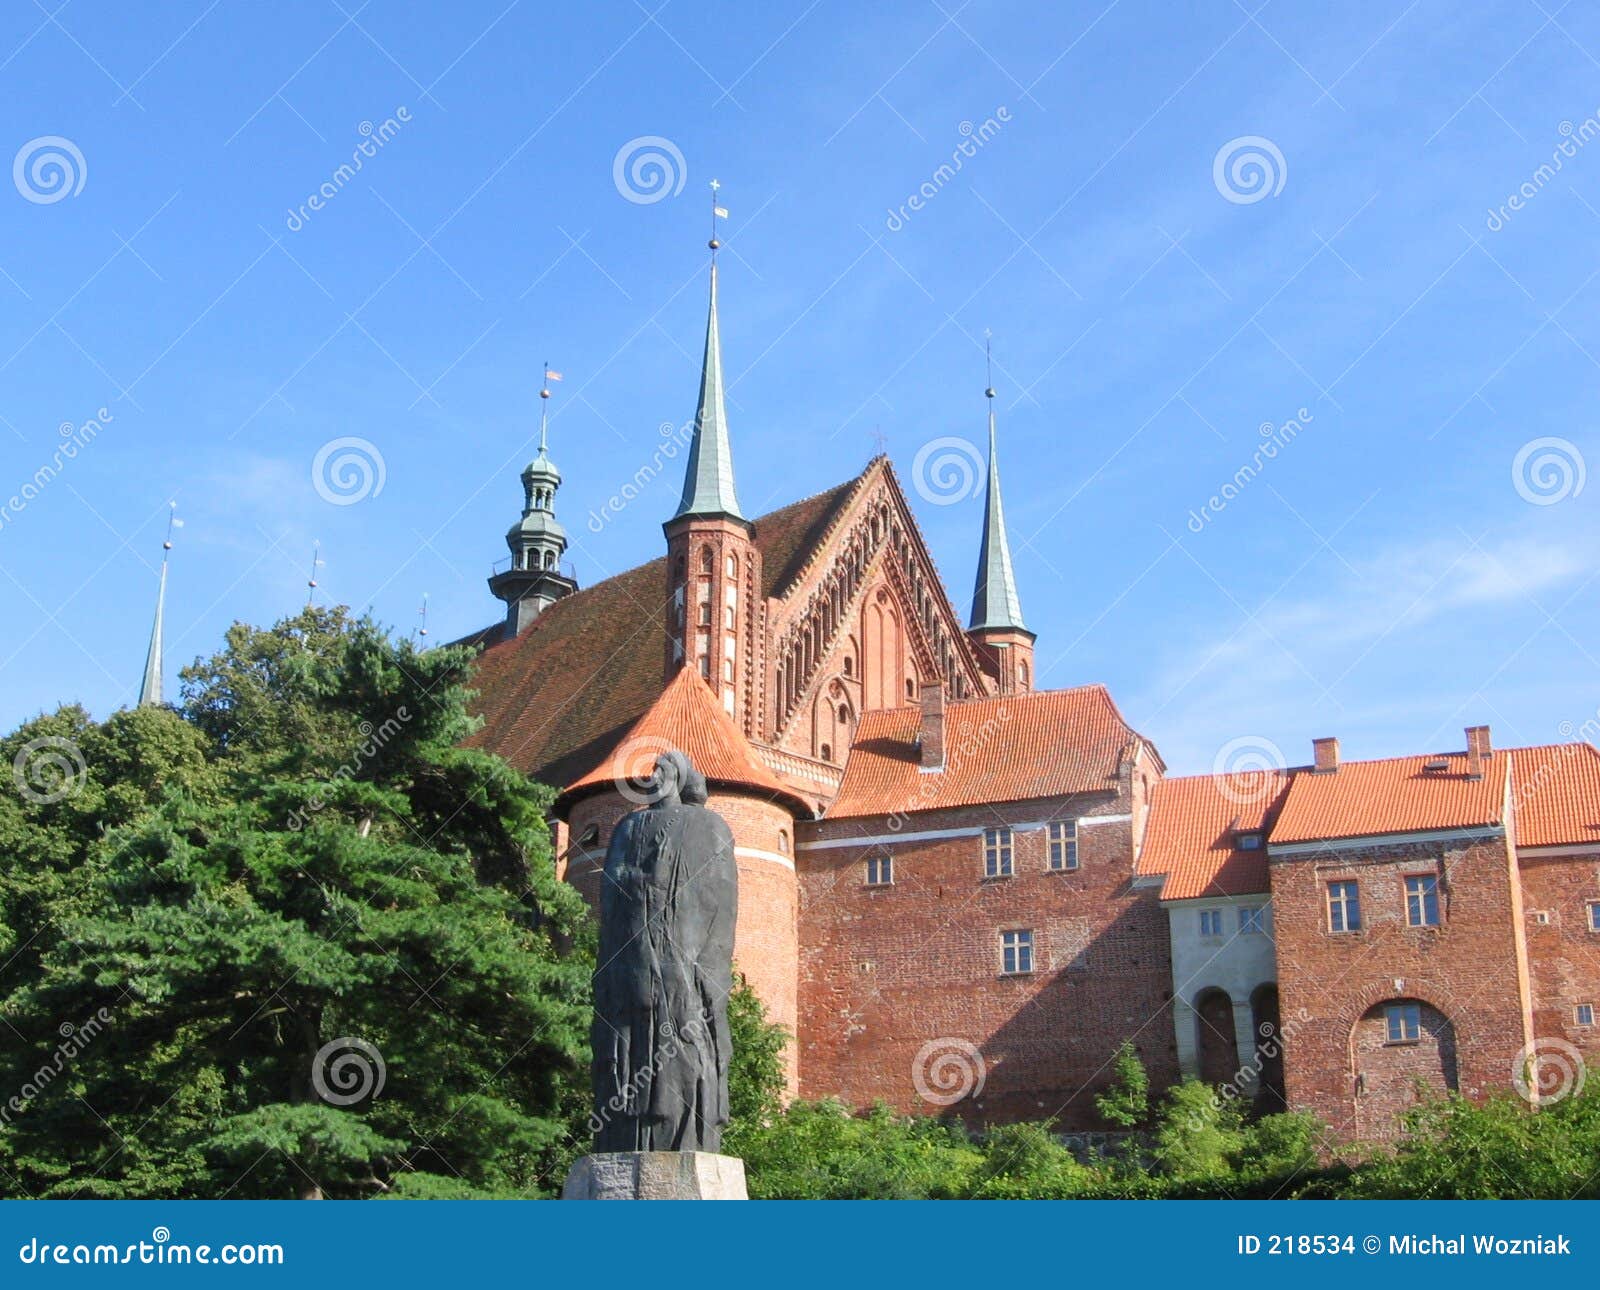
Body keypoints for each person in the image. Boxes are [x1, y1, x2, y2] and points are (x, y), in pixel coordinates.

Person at [590, 749, 738, 1153]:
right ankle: (624, 1125)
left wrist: (707, 967)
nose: (655, 776)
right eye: (652, 769)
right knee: (626, 1040)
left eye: (665, 768)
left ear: (682, 777)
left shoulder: (708, 826)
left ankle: (684, 1129)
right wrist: (645, 886)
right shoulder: (627, 826)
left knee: (687, 1034)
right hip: (632, 952)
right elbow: (612, 887)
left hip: (682, 957)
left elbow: (718, 899)